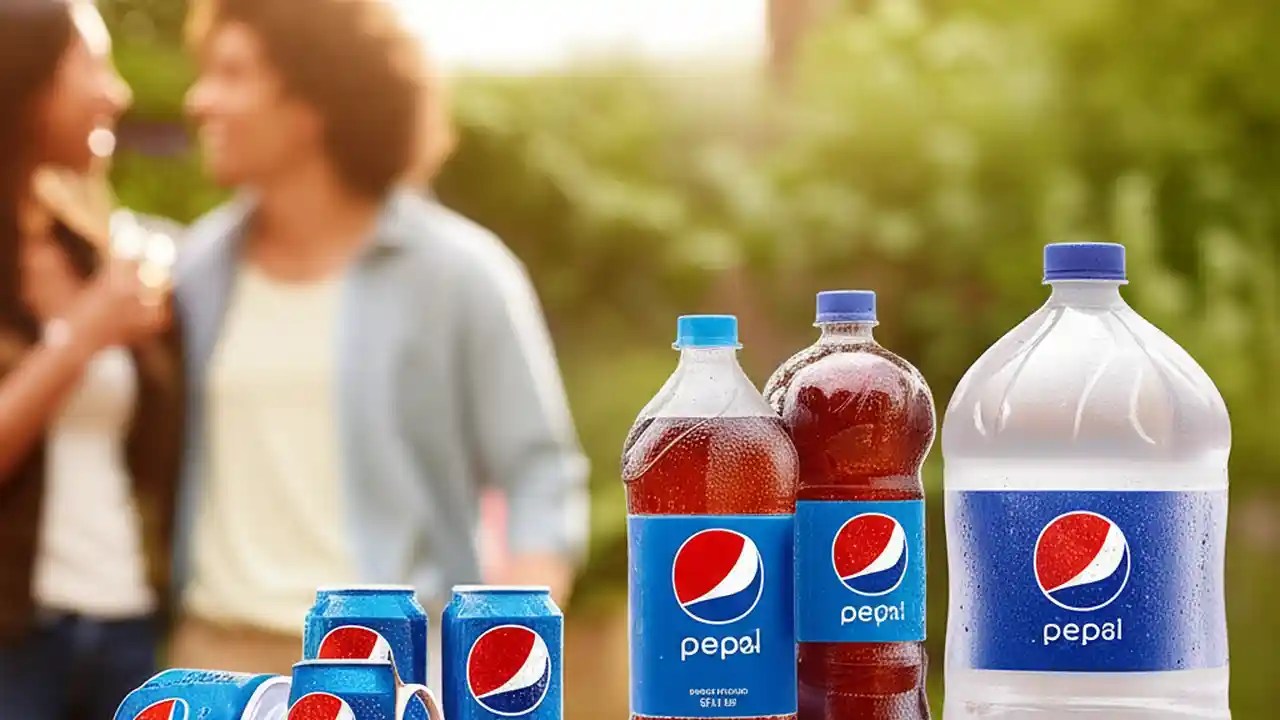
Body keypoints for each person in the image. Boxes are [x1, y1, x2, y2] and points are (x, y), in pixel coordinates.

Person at [171, 0, 589, 678]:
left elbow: (539, 477)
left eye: (232, 73)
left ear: (313, 101)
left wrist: (509, 655)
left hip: (393, 672)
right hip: (213, 668)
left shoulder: (459, 274)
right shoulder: (196, 269)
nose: (200, 100)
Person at [0, 1, 185, 717]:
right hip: (15, 644)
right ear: (27, 80)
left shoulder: (97, 252)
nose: (118, 91)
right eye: (93, 65)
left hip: (127, 628)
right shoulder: (93, 299)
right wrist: (80, 336)